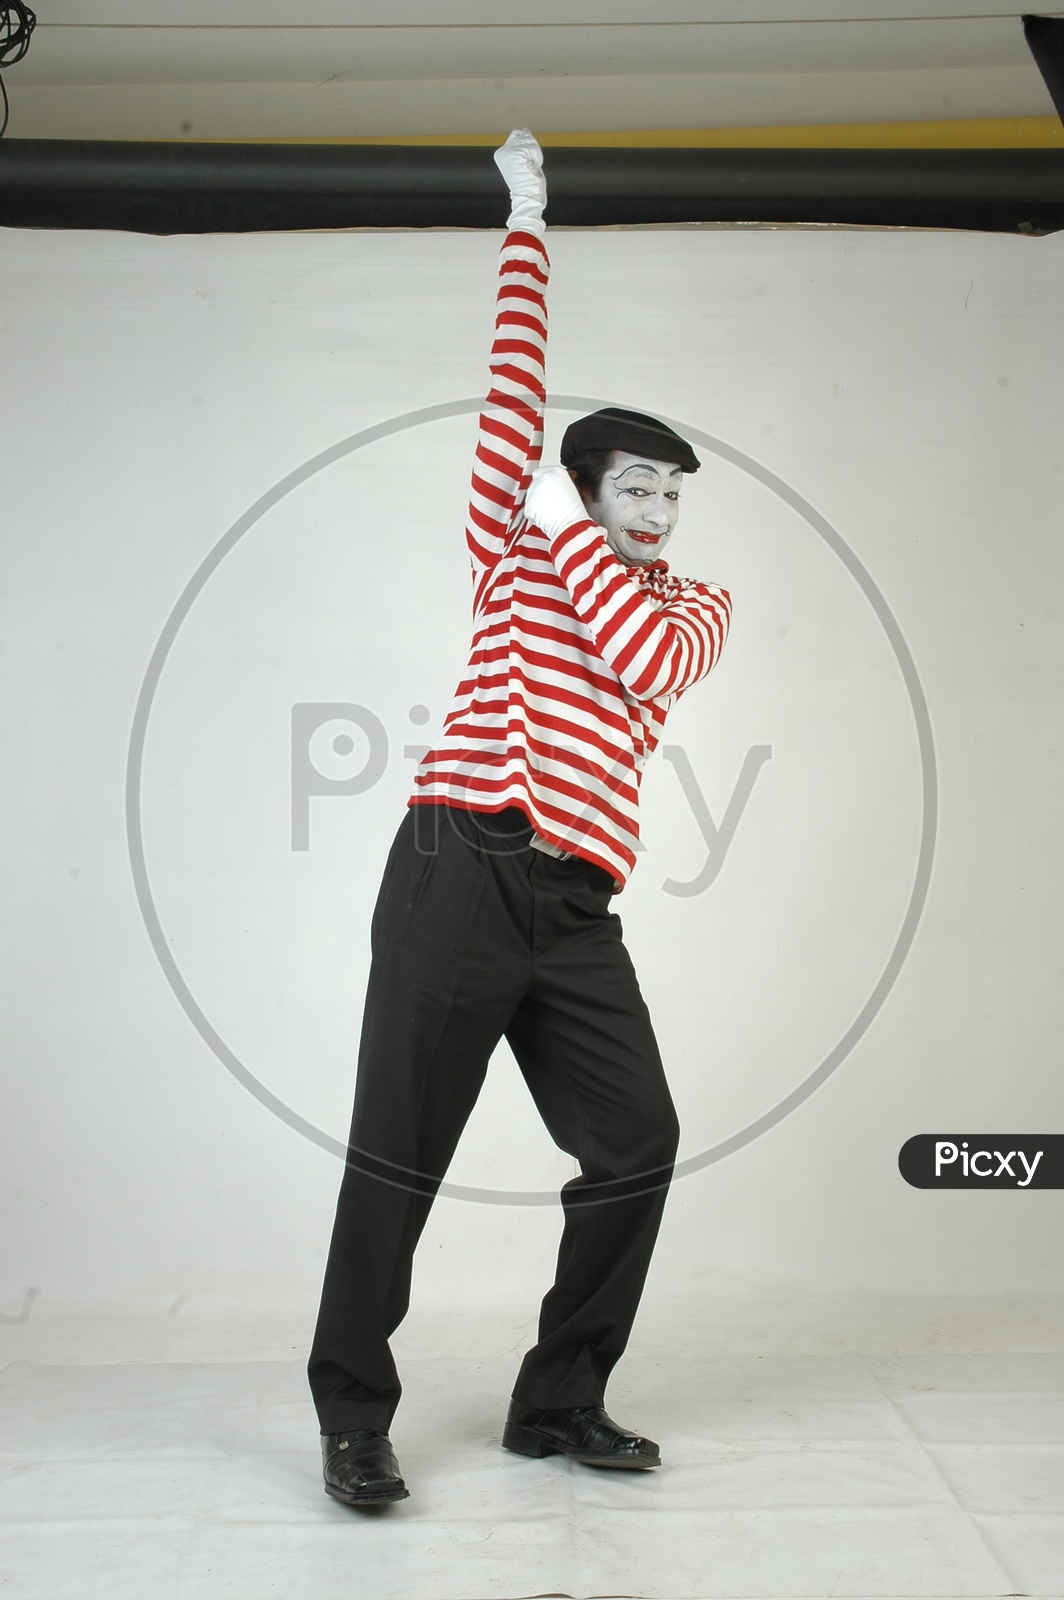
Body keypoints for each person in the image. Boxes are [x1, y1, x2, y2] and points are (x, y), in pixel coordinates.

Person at [307, 129, 732, 1506]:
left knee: (638, 1138)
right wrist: (527, 218)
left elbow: (642, 661)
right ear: (585, 485)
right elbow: (513, 384)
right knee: (402, 1150)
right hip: (459, 864)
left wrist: (567, 515)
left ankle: (559, 1403)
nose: (660, 512)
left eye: (672, 492)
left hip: (573, 906)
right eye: (636, 487)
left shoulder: (689, 609)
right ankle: (353, 1414)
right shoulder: (516, 534)